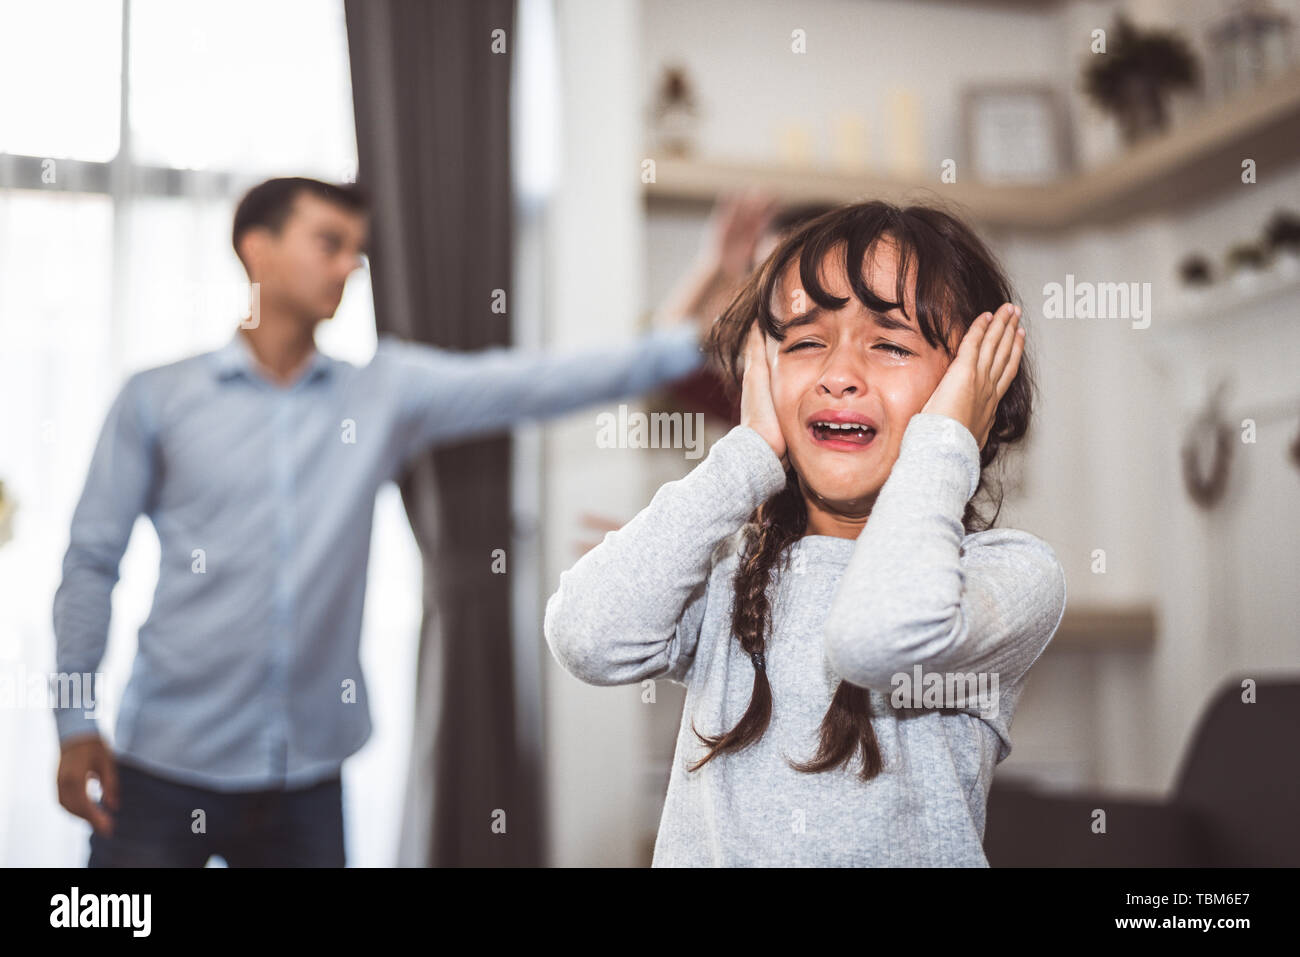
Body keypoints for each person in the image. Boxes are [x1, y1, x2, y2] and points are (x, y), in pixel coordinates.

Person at [52, 176, 710, 867]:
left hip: (306, 778)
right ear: (257, 249)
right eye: (329, 244)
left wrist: (704, 334)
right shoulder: (156, 399)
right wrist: (73, 720)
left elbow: (541, 380)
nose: (349, 267)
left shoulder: (383, 392)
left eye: (356, 252)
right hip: (162, 763)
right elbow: (90, 561)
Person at [544, 199, 1068, 866]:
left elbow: (875, 637)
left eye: (890, 343)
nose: (839, 373)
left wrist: (945, 441)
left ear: (974, 395)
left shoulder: (1008, 574)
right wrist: (747, 456)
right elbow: (587, 635)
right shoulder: (732, 576)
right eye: (805, 341)